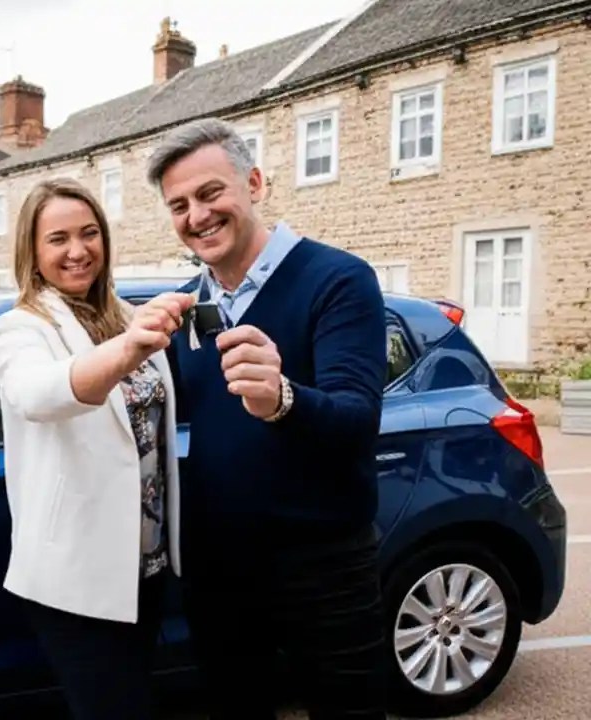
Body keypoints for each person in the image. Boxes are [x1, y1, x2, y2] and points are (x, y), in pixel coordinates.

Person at [145, 116, 389, 719]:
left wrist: (283, 400)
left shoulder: (338, 279)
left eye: (209, 194)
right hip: (220, 567)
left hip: (323, 563)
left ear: (254, 182)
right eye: (179, 205)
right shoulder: (187, 304)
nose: (196, 216)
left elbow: (358, 418)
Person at [0, 178, 196, 720]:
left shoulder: (127, 316)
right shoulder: (20, 328)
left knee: (134, 701)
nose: (78, 250)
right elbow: (38, 394)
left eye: (89, 234)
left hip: (145, 563)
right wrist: (130, 349)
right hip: (77, 573)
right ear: (32, 253)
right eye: (58, 239)